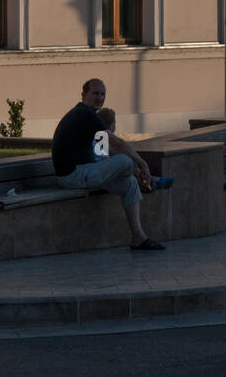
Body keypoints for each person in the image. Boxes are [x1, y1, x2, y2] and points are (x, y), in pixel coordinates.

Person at [52, 79, 172, 250]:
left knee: (129, 184)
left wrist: (135, 170)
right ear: (83, 95)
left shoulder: (88, 116)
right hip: (73, 175)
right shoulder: (84, 114)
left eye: (102, 94)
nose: (99, 97)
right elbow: (118, 144)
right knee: (125, 160)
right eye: (95, 93)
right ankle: (147, 178)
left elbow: (107, 150)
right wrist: (143, 164)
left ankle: (139, 237)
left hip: (86, 171)